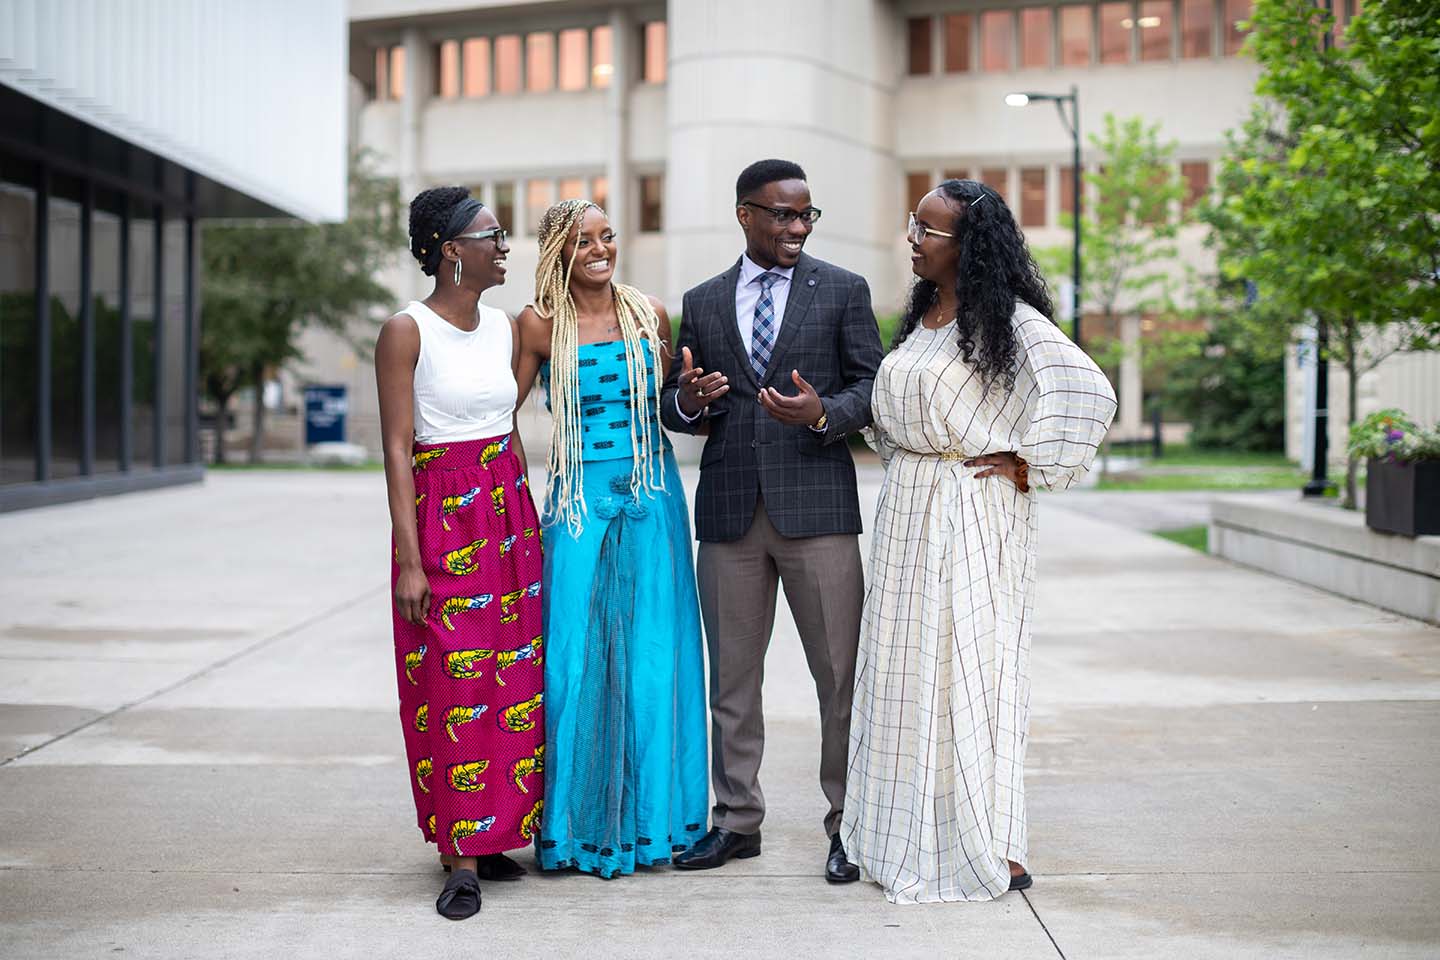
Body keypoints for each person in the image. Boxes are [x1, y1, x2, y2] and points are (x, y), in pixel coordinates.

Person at [842, 179, 1116, 903]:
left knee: (968, 674)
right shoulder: (926, 315)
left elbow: (1087, 389)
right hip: (909, 513)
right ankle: (909, 830)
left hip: (970, 514)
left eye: (930, 230)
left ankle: (987, 839)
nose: (914, 237)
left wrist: (1032, 462)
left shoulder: (1010, 320)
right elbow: (892, 412)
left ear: (969, 246)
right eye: (914, 224)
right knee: (907, 678)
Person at [660, 159, 884, 883]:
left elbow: (874, 386)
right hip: (730, 517)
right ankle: (736, 821)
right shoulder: (702, 299)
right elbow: (673, 404)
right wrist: (690, 400)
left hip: (818, 512)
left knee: (841, 678)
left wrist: (824, 412)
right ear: (745, 213)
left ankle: (850, 825)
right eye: (782, 214)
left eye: (805, 216)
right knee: (731, 680)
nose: (795, 227)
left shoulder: (844, 291)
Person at [513, 199, 708, 879]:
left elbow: (668, 404)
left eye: (607, 236)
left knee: (654, 660)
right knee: (568, 660)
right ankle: (569, 832)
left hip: (651, 497)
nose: (600, 249)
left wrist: (689, 396)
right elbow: (499, 415)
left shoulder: (647, 312)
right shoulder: (536, 326)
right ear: (558, 252)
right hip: (574, 505)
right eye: (583, 241)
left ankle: (654, 825)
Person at [375, 186, 545, 920]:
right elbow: (394, 448)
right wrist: (412, 562)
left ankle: (498, 833)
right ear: (451, 250)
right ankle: (459, 857)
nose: (504, 246)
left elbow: (507, 426)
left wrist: (527, 518)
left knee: (515, 682)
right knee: (451, 686)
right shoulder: (405, 331)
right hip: (440, 513)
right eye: (491, 234)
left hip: (507, 508)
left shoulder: (504, 327)